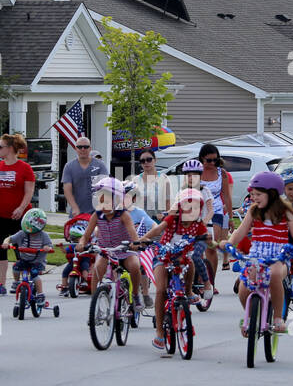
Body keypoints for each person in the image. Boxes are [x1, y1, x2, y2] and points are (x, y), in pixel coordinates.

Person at [226, 172, 293, 335]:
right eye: (252, 194)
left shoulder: (286, 211)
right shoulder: (254, 210)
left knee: (274, 274)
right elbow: (241, 231)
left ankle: (278, 318)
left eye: (258, 194)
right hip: (256, 256)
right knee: (243, 288)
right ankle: (250, 317)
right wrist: (228, 242)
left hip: (279, 256)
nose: (254, 197)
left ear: (272, 194)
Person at [140, 187, 212, 349]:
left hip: (181, 257)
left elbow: (207, 238)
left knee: (191, 261)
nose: (190, 211)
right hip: (163, 256)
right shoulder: (172, 219)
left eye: (194, 207)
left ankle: (188, 291)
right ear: (180, 208)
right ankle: (159, 332)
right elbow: (158, 229)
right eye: (186, 207)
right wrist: (142, 240)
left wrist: (212, 241)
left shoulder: (198, 225)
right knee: (161, 290)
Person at [77, 177, 146, 309]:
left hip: (125, 250)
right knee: (97, 270)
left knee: (135, 266)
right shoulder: (97, 215)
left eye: (107, 198)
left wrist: (135, 243)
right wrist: (81, 243)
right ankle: (95, 305)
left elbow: (133, 234)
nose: (102, 201)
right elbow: (86, 236)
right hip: (106, 251)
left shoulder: (123, 215)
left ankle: (136, 294)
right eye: (100, 198)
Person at [0, 133, 36, 296]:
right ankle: (1, 284)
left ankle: (22, 281)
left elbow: (29, 191)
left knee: (20, 249)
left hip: (19, 217)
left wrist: (21, 208)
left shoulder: (25, 168)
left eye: (0, 146)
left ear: (11, 149)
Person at [0, 208, 54, 308]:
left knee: (34, 275)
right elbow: (10, 238)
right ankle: (17, 282)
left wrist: (47, 248)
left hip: (38, 262)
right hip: (24, 260)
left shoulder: (44, 236)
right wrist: (6, 243)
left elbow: (50, 246)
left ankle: (40, 294)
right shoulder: (22, 233)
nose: (31, 233)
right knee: (16, 267)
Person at [198, 144, 234, 272]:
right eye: (209, 160)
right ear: (202, 158)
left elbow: (227, 196)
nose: (213, 163)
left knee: (211, 245)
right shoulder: (196, 172)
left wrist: (230, 218)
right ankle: (201, 278)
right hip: (199, 211)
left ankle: (211, 280)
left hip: (216, 210)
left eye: (215, 160)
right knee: (198, 246)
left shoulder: (221, 173)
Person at [61, 136, 108, 217]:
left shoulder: (100, 165)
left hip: (97, 213)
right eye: (80, 147)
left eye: (85, 147)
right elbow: (67, 190)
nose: (83, 149)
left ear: (90, 148)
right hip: (77, 214)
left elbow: (105, 187)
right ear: (76, 149)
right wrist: (74, 207)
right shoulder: (69, 166)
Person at [136, 149, 173, 219]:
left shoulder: (164, 179)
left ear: (155, 160)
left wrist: (166, 220)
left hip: (159, 223)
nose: (146, 162)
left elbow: (168, 202)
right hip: (141, 223)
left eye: (149, 159)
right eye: (142, 161)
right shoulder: (135, 180)